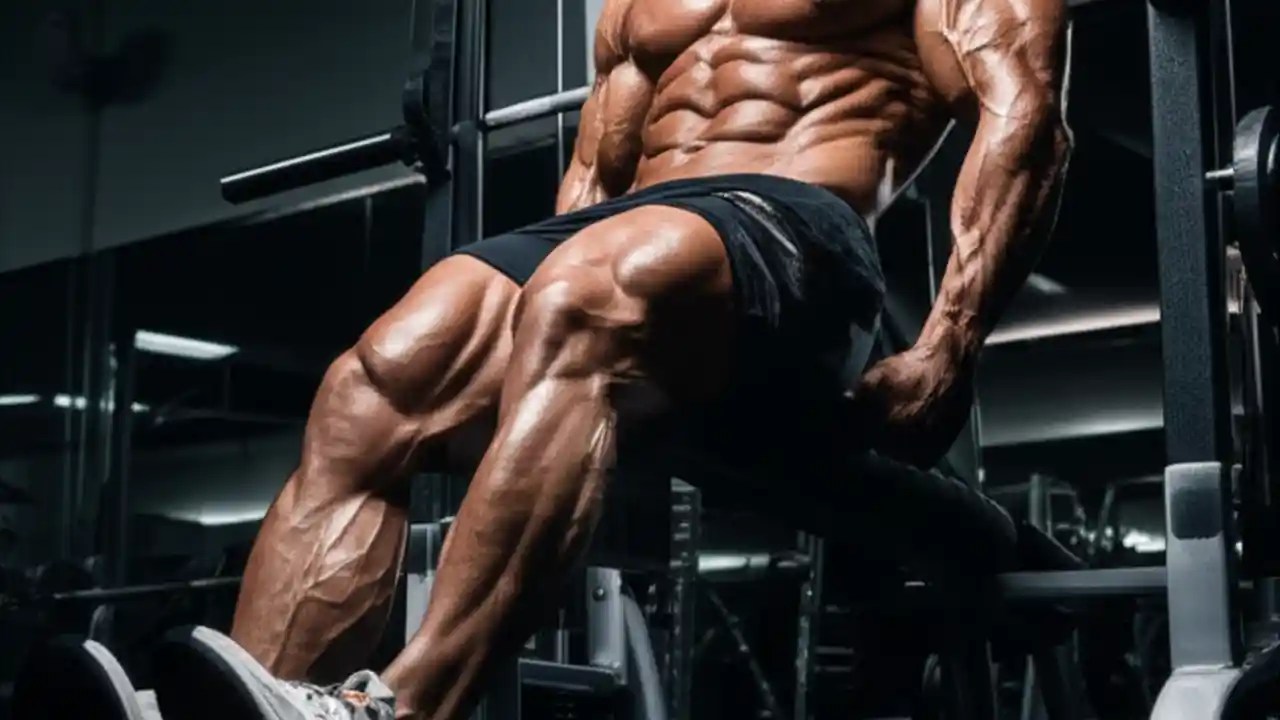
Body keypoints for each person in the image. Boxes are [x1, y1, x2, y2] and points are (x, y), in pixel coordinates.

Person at [150, 0, 1072, 717]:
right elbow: (595, 172)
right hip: (626, 234)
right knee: (376, 380)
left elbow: (1023, 113)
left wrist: (949, 345)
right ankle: (260, 701)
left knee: (581, 296)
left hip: (795, 226)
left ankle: (401, 709)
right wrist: (539, 379)